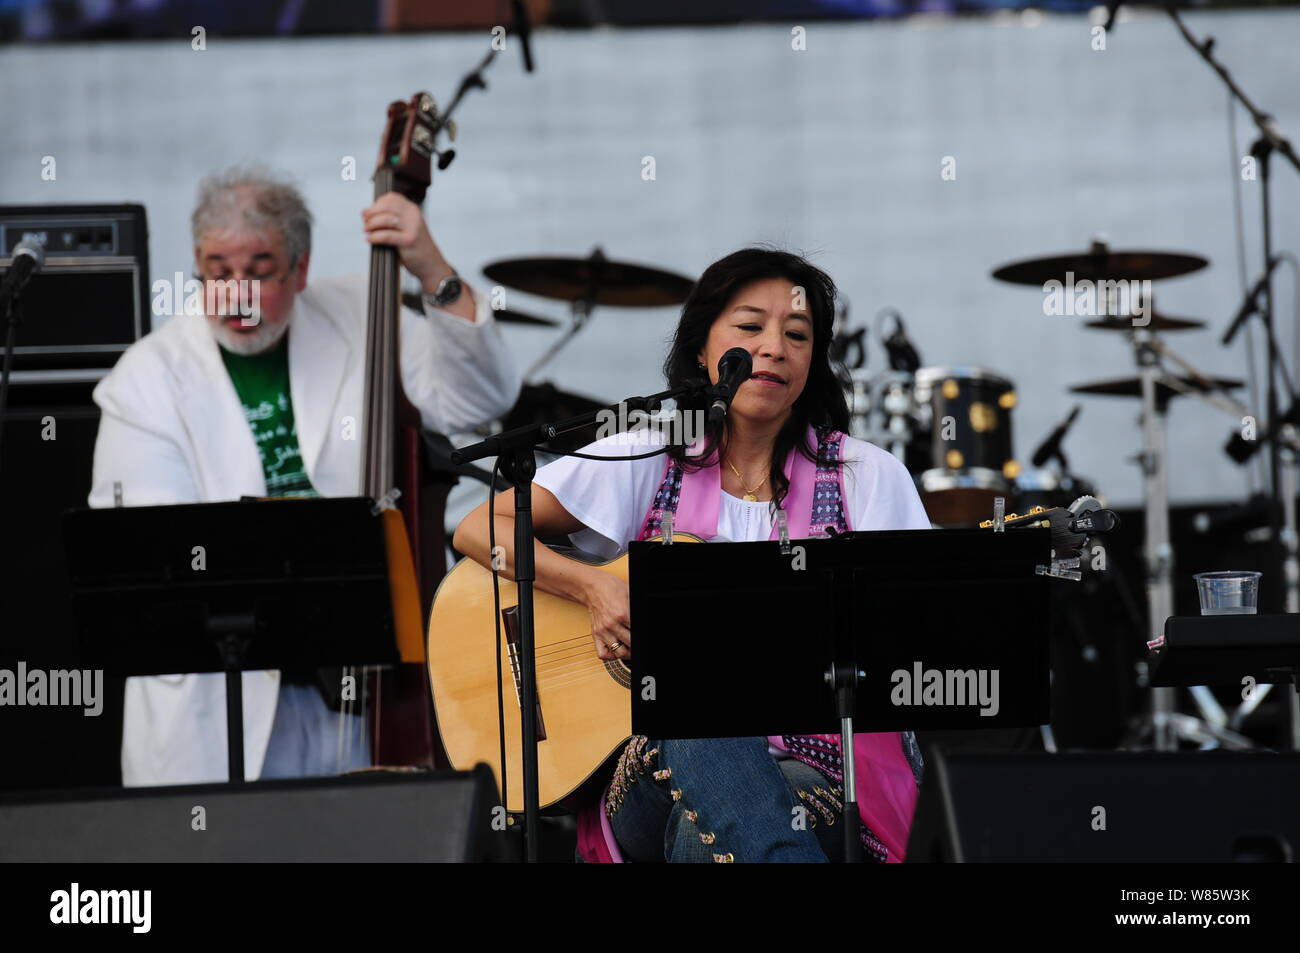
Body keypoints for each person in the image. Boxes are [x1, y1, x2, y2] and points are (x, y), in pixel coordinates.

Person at [453, 247, 930, 862]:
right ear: (704, 349)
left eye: (798, 334)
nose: (775, 348)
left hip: (825, 778)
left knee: (698, 838)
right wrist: (594, 590)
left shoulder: (868, 476)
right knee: (691, 703)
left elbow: (912, 641)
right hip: (649, 767)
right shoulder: (647, 454)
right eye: (750, 326)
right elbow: (477, 527)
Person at [90, 165, 521, 786]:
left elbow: (480, 402)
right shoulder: (143, 381)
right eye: (218, 271)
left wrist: (433, 271)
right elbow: (152, 558)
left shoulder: (359, 312)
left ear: (301, 267)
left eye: (260, 270)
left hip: (365, 691)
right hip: (220, 699)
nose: (237, 292)